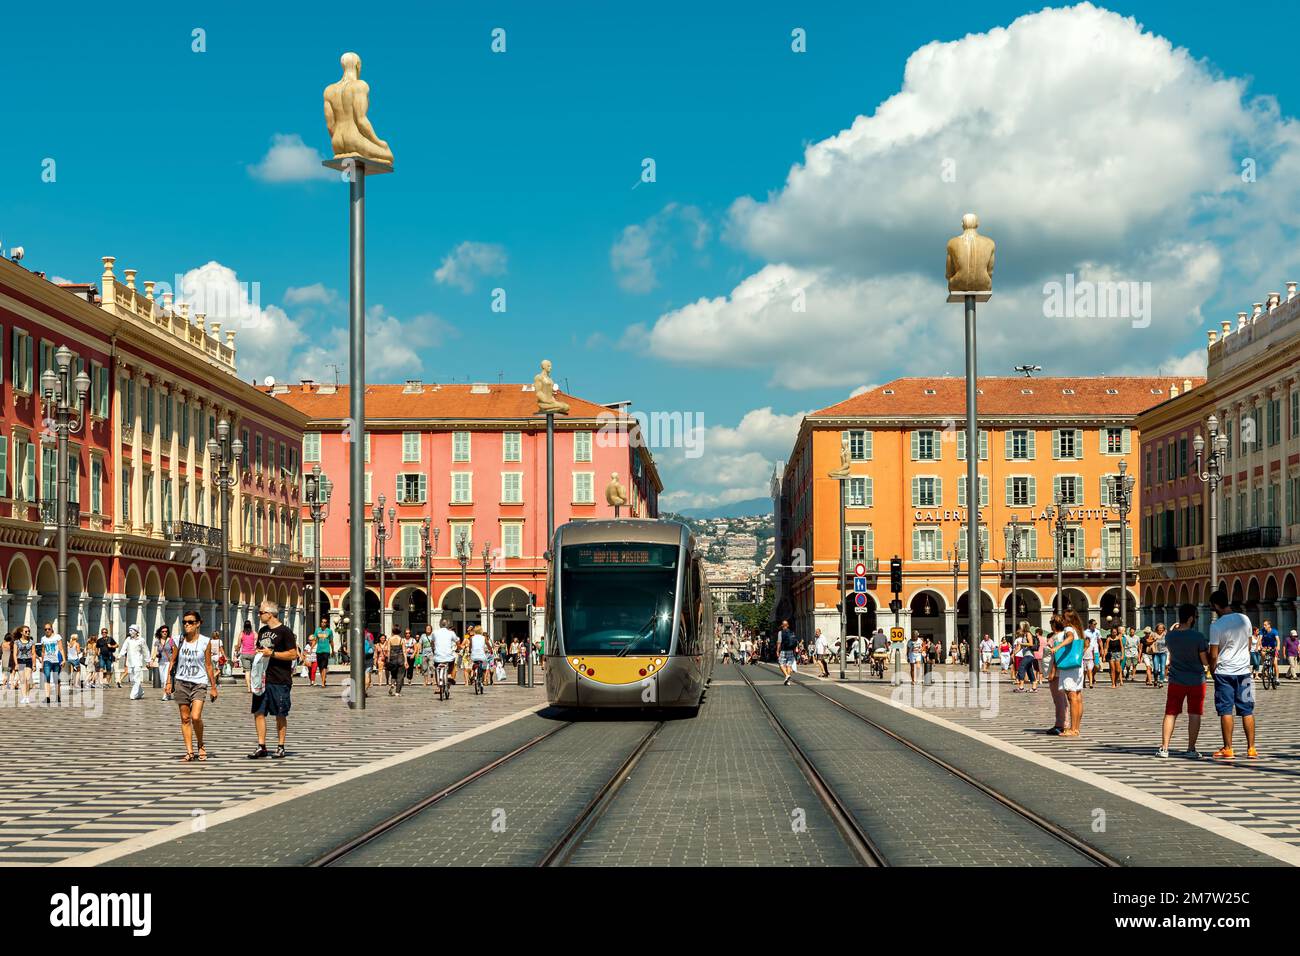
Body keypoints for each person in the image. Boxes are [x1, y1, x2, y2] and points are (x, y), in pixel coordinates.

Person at [1207, 589, 1256, 759]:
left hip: (1224, 673)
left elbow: (1213, 654)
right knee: (1247, 710)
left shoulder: (1216, 625)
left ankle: (1228, 748)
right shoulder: (1245, 619)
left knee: (1225, 710)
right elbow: (1249, 645)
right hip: (1244, 673)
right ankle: (1251, 748)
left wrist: (1212, 670)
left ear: (1215, 606)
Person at [164, 611, 218, 761]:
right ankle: (189, 751)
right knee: (185, 718)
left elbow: (208, 665)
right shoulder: (178, 640)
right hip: (181, 682)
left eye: (190, 622)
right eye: (185, 622)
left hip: (199, 683)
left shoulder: (205, 641)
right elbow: (173, 661)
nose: (187, 624)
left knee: (195, 717)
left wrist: (213, 687)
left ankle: (201, 744)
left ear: (198, 623)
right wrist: (168, 681)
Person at [248, 601, 297, 760]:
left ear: (270, 614)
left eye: (261, 612)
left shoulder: (285, 632)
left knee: (280, 713)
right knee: (259, 712)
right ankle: (261, 746)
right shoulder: (262, 631)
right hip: (262, 678)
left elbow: (293, 654)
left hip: (280, 679)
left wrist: (273, 654)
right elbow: (261, 649)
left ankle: (281, 746)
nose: (259, 614)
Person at [1158, 603, 1209, 759]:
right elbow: (1205, 661)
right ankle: (1191, 748)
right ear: (1191, 618)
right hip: (1196, 681)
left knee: (1170, 713)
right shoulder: (1198, 637)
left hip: (1176, 680)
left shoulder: (1170, 636)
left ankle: (1165, 748)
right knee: (1194, 713)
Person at [38, 622, 64, 705]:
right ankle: (47, 697)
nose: (47, 630)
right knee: (47, 677)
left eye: (49, 629)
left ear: (52, 628)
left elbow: (61, 648)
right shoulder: (43, 639)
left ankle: (58, 696)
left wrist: (64, 659)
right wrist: (42, 663)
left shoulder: (57, 637)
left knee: (56, 679)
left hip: (56, 660)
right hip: (47, 660)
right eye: (45, 629)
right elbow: (43, 651)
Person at [432, 618, 458, 696]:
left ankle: (438, 685)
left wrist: (434, 650)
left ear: (440, 624)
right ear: (447, 625)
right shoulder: (451, 633)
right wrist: (459, 647)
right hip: (448, 657)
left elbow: (432, 643)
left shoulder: (435, 633)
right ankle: (449, 674)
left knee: (437, 668)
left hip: (438, 657)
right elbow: (457, 641)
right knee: (452, 661)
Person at [122, 625, 148, 700]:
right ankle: (141, 692)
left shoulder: (141, 640)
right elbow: (124, 648)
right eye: (129, 631)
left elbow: (145, 650)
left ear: (136, 632)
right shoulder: (128, 639)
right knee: (133, 679)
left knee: (136, 678)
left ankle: (133, 694)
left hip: (137, 662)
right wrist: (119, 655)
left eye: (131, 631)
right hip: (130, 662)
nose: (130, 632)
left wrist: (148, 660)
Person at [13, 627, 35, 704]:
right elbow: (15, 654)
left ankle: (27, 696)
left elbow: (33, 653)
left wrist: (34, 664)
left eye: (29, 631)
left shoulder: (31, 642)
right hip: (20, 661)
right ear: (21, 632)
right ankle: (24, 697)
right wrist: (16, 664)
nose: (28, 632)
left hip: (29, 660)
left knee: (28, 678)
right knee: (22, 680)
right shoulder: (16, 642)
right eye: (26, 631)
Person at [154, 625, 176, 702]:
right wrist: (152, 660)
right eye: (163, 631)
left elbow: (174, 651)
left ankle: (165, 695)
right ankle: (168, 693)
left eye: (166, 631)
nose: (164, 633)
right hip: (161, 662)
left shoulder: (171, 640)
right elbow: (155, 652)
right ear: (160, 632)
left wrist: (173, 661)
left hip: (168, 662)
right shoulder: (158, 641)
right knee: (163, 679)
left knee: (167, 679)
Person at [313, 617, 334, 689]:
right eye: (322, 622)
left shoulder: (329, 631)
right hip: (318, 651)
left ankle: (322, 683)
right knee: (320, 667)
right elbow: (315, 640)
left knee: (324, 666)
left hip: (326, 650)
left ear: (326, 623)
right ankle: (323, 679)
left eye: (325, 622)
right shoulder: (317, 630)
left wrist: (333, 650)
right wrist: (311, 648)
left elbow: (331, 641)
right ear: (320, 623)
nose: (323, 623)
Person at [775, 620, 798, 685]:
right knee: (789, 665)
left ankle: (786, 675)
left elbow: (779, 642)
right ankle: (788, 681)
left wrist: (777, 651)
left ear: (782, 625)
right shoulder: (791, 632)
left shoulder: (780, 632)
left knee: (781, 664)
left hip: (783, 650)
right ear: (788, 625)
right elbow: (794, 641)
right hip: (790, 650)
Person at [238, 620, 257, 691]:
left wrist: (237, 649)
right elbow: (257, 643)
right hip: (253, 654)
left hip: (244, 654)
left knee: (247, 671)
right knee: (253, 671)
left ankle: (249, 688)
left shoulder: (241, 633)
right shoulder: (254, 633)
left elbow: (239, 645)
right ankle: (253, 686)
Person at [1081, 619, 1100, 690]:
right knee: (1085, 671)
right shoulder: (1085, 632)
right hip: (1086, 651)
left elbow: (1099, 641)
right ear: (1090, 624)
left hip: (1095, 650)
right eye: (1094, 624)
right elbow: (1082, 641)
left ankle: (1092, 676)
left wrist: (1103, 650)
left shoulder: (1097, 631)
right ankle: (1087, 681)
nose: (1095, 625)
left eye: (1096, 624)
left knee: (1097, 666)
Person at [386, 629, 406, 696]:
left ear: (392, 631)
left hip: (392, 658)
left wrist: (388, 660)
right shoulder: (402, 640)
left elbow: (388, 650)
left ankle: (392, 684)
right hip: (400, 658)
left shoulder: (389, 639)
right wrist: (406, 661)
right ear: (400, 632)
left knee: (393, 674)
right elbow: (404, 651)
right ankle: (397, 692)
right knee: (400, 675)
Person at [1150, 623, 1169, 689]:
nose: (1160, 630)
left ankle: (1161, 682)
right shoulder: (1153, 634)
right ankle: (1155, 679)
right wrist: (1153, 640)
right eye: (1159, 629)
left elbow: (1169, 643)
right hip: (1156, 653)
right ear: (1157, 629)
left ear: (1164, 629)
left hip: (1163, 653)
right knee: (1156, 669)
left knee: (1163, 668)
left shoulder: (1166, 635)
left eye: (1162, 629)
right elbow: (1148, 641)